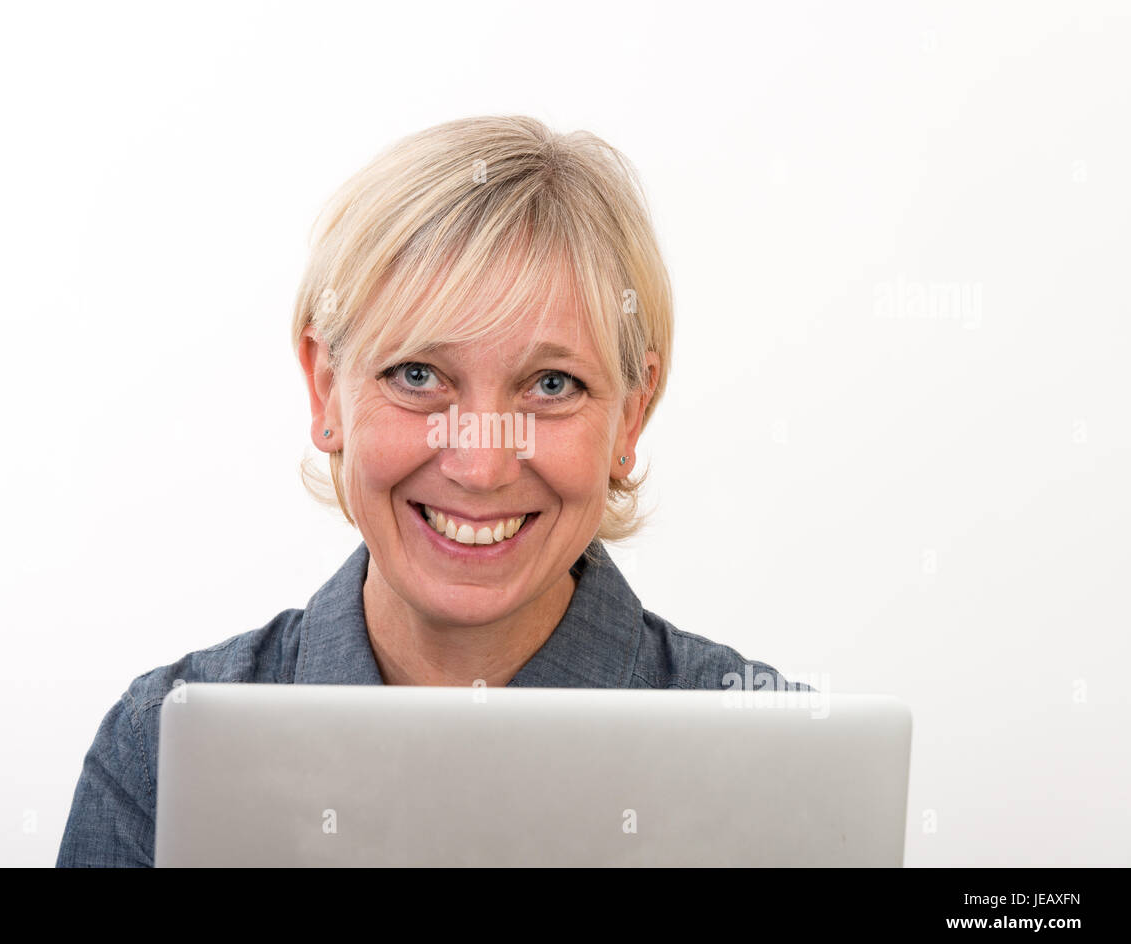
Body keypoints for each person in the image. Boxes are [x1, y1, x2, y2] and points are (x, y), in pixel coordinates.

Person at [56, 115, 811, 867]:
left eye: (553, 384)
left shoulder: (780, 763)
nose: (480, 467)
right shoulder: (159, 756)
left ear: (631, 414)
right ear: (327, 390)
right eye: (417, 376)